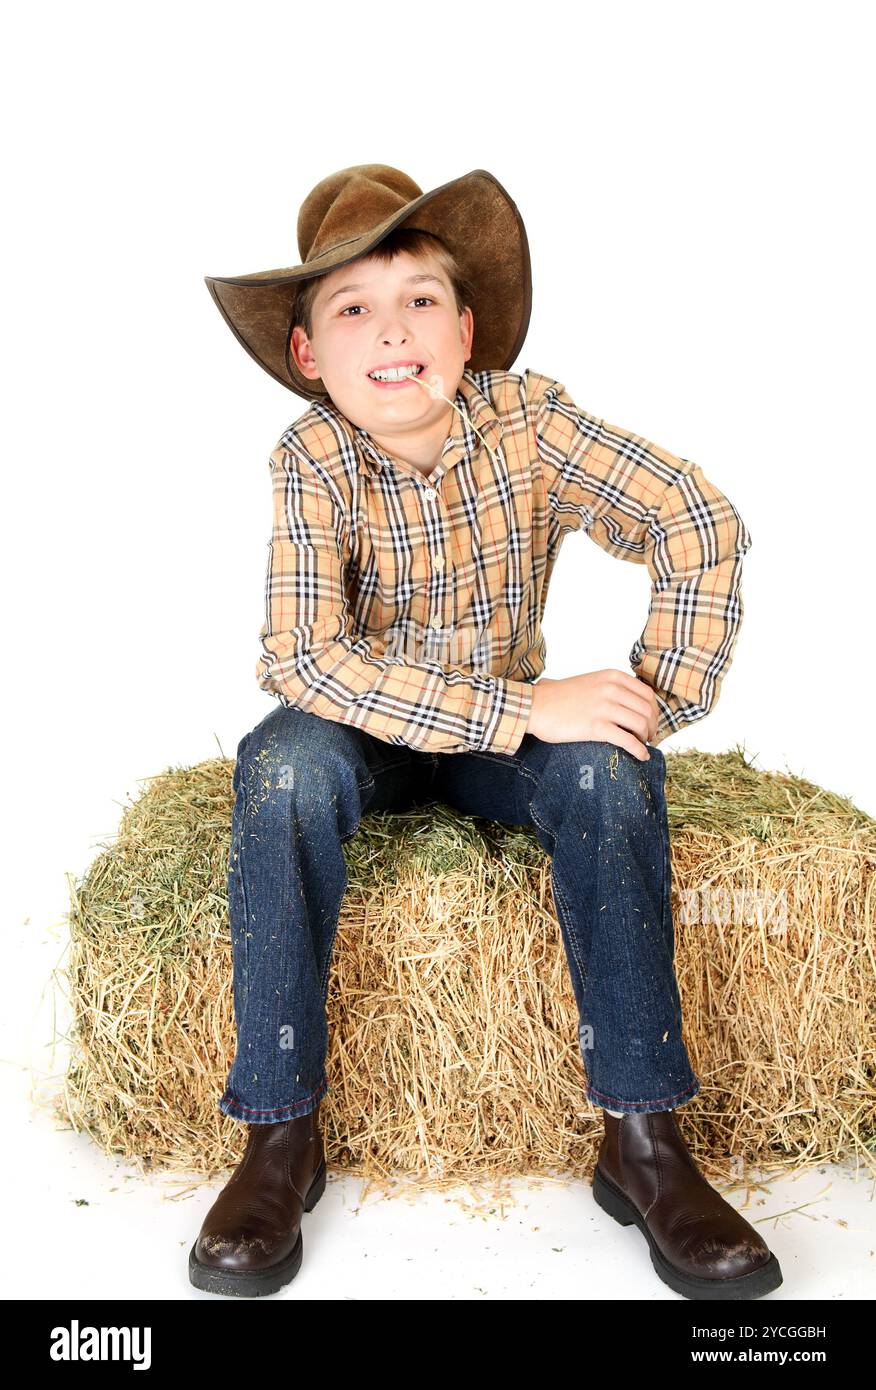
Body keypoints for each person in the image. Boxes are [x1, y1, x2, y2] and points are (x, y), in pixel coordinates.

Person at [189, 164, 781, 1300]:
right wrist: (523, 706)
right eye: (352, 309)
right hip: (361, 734)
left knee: (607, 771)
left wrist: (652, 699)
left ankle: (644, 1140)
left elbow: (697, 520)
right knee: (279, 769)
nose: (391, 330)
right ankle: (279, 1132)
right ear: (310, 356)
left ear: (467, 332)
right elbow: (303, 658)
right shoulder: (311, 459)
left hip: (506, 758)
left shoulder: (531, 421)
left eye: (418, 300)